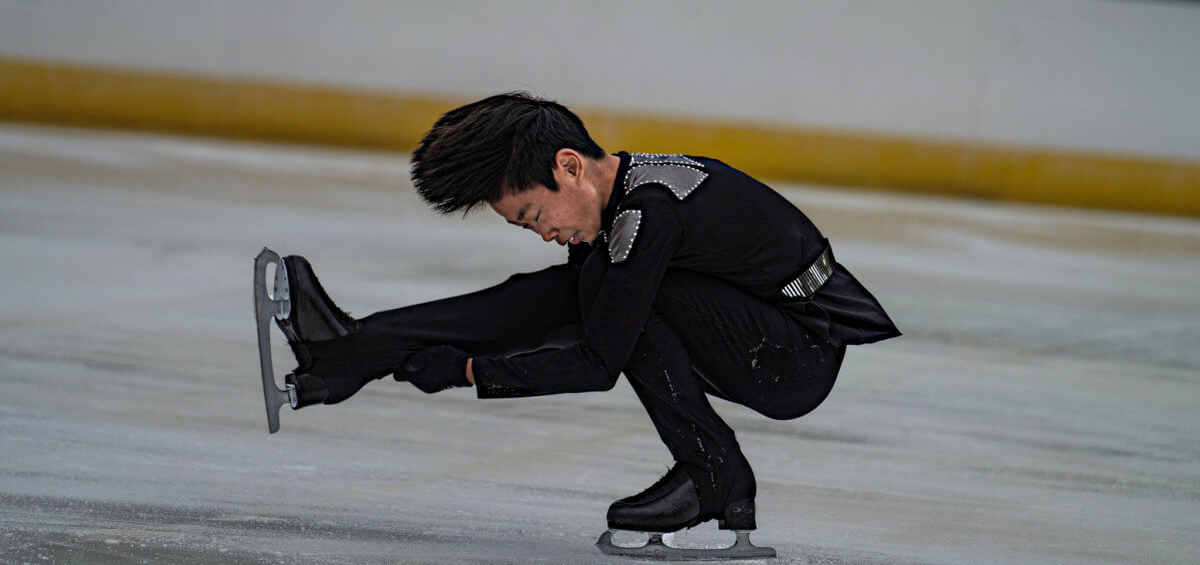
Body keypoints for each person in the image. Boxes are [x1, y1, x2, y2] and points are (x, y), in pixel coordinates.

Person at [269, 92, 900, 554]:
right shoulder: (625, 198)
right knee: (567, 290)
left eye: (533, 213)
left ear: (569, 166)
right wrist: (397, 352)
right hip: (761, 334)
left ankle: (713, 476)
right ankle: (350, 349)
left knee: (606, 290)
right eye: (524, 225)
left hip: (795, 357)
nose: (542, 232)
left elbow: (600, 362)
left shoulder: (647, 214)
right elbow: (538, 313)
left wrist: (467, 371)